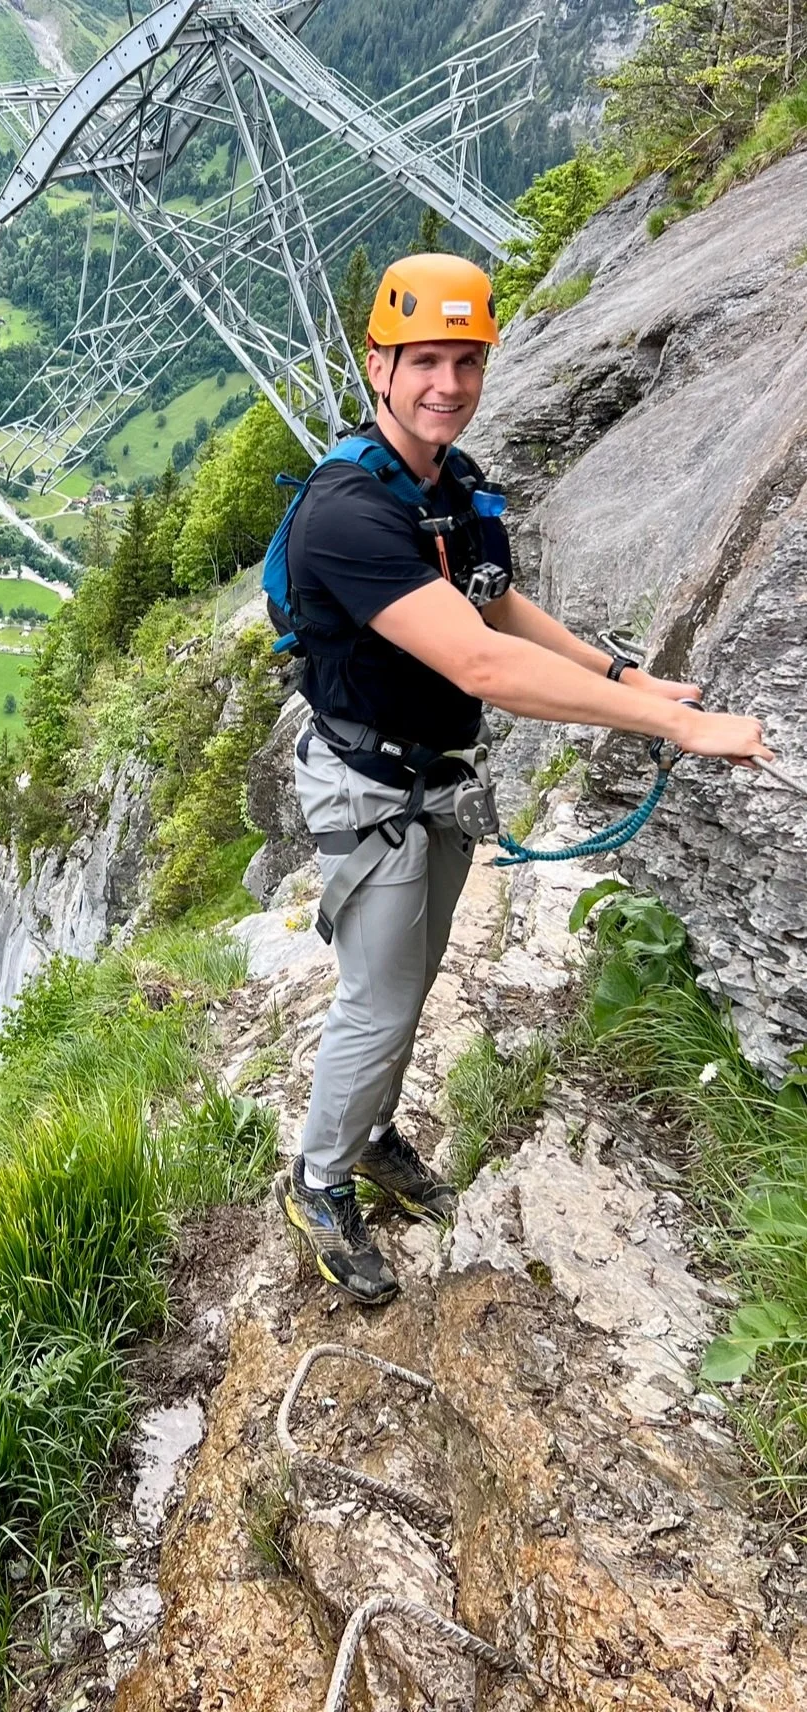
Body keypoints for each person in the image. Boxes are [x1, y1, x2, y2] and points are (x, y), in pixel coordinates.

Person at [274, 252, 772, 1305]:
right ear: (379, 364)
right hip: (372, 790)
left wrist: (627, 675)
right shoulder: (347, 513)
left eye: (466, 360)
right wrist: (669, 725)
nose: (447, 383)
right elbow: (485, 664)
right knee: (378, 997)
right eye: (425, 362)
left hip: (431, 782)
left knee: (406, 987)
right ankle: (319, 1180)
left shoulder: (453, 488)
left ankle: (368, 1137)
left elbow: (501, 606)